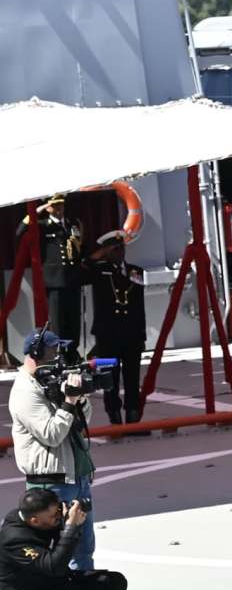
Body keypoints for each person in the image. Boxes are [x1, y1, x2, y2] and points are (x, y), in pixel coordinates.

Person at [0, 488, 135, 590]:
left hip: (56, 587)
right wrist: (70, 528)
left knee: (113, 582)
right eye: (53, 517)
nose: (58, 517)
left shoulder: (38, 518)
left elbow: (58, 555)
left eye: (58, 510)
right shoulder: (14, 539)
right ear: (34, 521)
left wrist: (65, 520)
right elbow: (54, 567)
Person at [8, 329, 97, 570]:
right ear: (36, 354)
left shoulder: (49, 380)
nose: (59, 356)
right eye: (53, 351)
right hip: (52, 483)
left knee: (84, 549)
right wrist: (68, 402)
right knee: (59, 552)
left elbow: (82, 422)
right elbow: (51, 434)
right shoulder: (25, 391)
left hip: (76, 477)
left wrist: (79, 399)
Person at [84, 231, 146, 425]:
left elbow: (139, 305)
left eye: (121, 248)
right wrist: (99, 254)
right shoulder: (99, 271)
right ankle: (114, 415)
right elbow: (81, 269)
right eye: (115, 249)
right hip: (107, 335)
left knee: (132, 377)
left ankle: (133, 415)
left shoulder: (136, 271)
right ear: (107, 252)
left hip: (131, 334)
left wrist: (142, 333)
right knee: (109, 377)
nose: (120, 252)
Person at [24, 197, 86, 347]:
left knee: (73, 320)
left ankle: (72, 352)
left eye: (61, 205)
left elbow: (79, 250)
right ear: (48, 207)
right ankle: (61, 354)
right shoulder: (42, 225)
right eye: (55, 205)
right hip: (55, 281)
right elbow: (21, 230)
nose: (59, 209)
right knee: (58, 321)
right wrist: (36, 211)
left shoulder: (72, 225)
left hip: (72, 280)